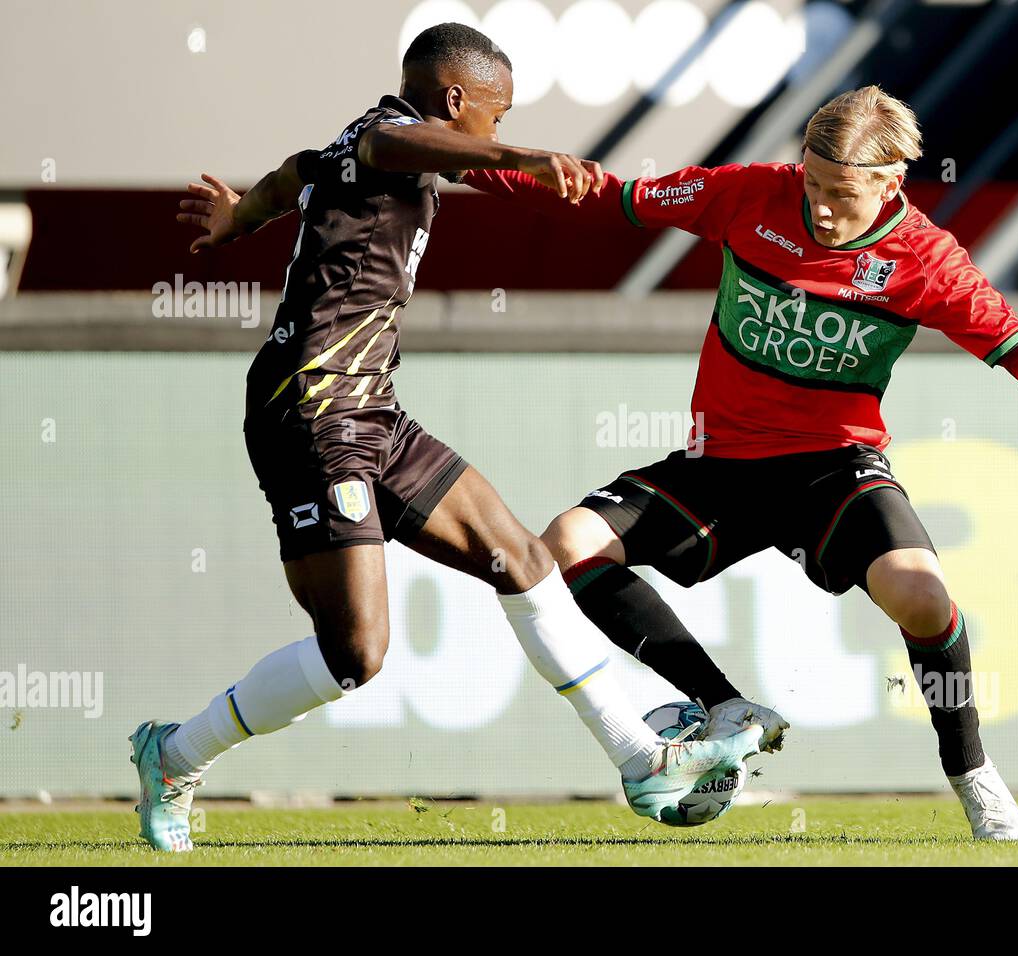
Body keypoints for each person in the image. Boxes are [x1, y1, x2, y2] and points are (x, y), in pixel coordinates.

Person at [134, 22, 759, 853]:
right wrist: (531, 160)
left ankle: (642, 756)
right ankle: (173, 756)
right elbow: (406, 142)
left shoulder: (363, 142)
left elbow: (297, 174)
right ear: (455, 99)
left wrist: (238, 216)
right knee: (355, 655)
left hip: (374, 412)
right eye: (492, 119)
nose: (493, 136)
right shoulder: (393, 134)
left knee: (525, 559)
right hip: (311, 411)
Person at [463, 85, 1018, 840]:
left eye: (842, 193)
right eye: (811, 183)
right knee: (567, 543)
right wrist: (464, 162)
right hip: (722, 465)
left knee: (923, 597)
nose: (822, 207)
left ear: (892, 182)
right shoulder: (747, 195)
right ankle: (725, 705)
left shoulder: (926, 258)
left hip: (835, 469)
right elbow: (611, 199)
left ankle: (971, 772)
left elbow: (1009, 339)